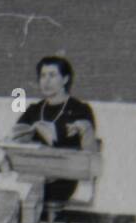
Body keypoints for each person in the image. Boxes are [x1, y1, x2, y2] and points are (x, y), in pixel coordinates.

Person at [11, 55, 97, 205]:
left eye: (52, 75)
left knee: (24, 190)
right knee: (13, 185)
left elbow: (90, 154)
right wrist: (22, 136)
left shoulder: (80, 110)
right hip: (32, 173)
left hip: (62, 178)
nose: (46, 81)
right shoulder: (34, 109)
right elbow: (16, 140)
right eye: (43, 76)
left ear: (65, 79)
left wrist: (85, 130)